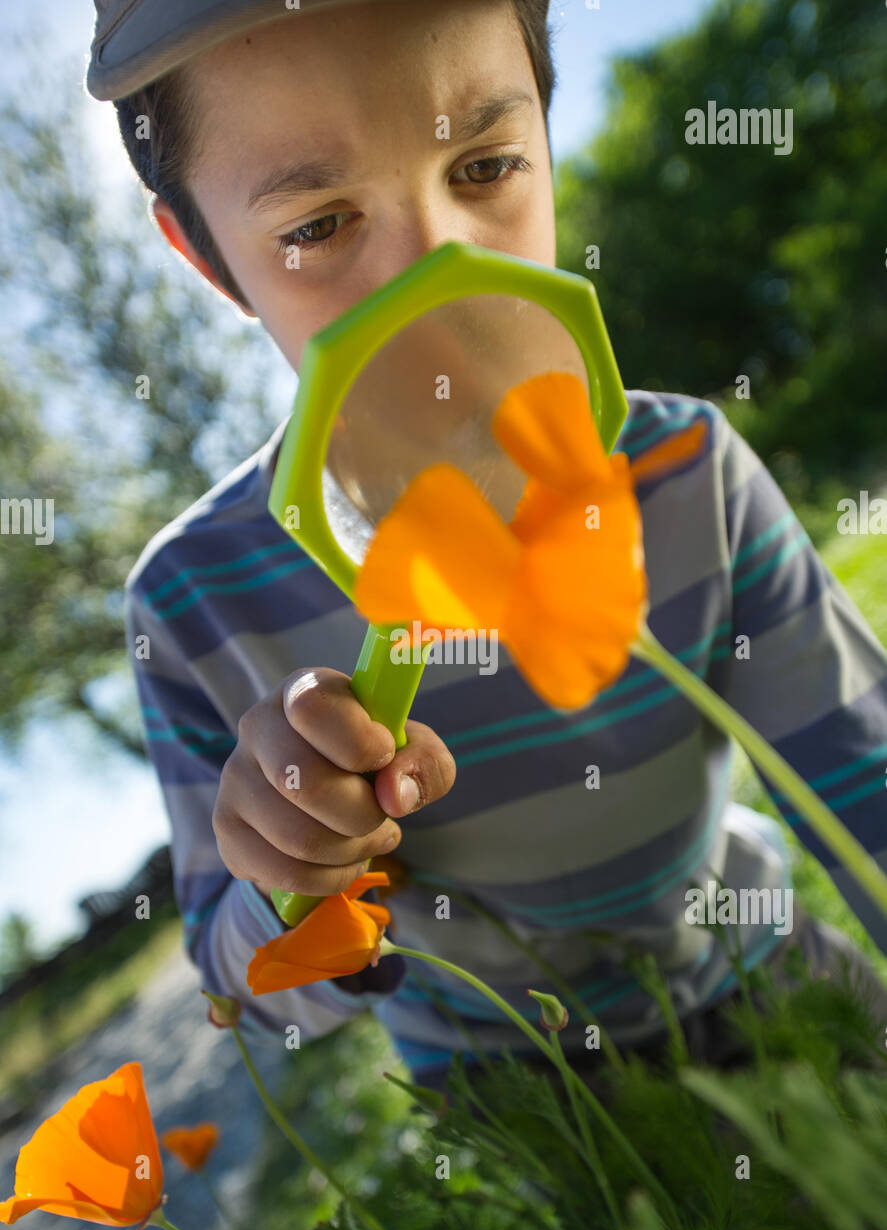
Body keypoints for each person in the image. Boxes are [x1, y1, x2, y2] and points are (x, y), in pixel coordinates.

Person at [85, 0, 887, 1095]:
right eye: (317, 225)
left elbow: (864, 783)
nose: (438, 274)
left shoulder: (688, 472)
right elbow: (245, 1000)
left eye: (483, 165)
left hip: (760, 973)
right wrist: (294, 880)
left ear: (548, 145)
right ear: (208, 258)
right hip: (515, 1095)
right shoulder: (193, 606)